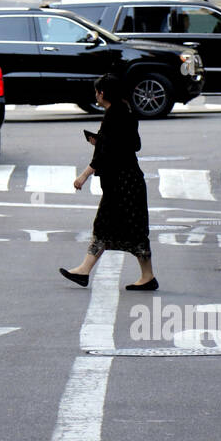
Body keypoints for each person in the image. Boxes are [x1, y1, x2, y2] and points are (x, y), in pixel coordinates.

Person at [59, 74, 156, 291]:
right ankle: (145, 276)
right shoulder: (127, 112)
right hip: (131, 181)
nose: (96, 95)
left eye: (97, 91)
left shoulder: (114, 116)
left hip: (121, 183)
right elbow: (134, 145)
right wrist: (102, 141)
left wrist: (83, 176)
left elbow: (105, 154)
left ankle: (86, 270)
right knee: (133, 229)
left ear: (102, 93)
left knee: (106, 225)